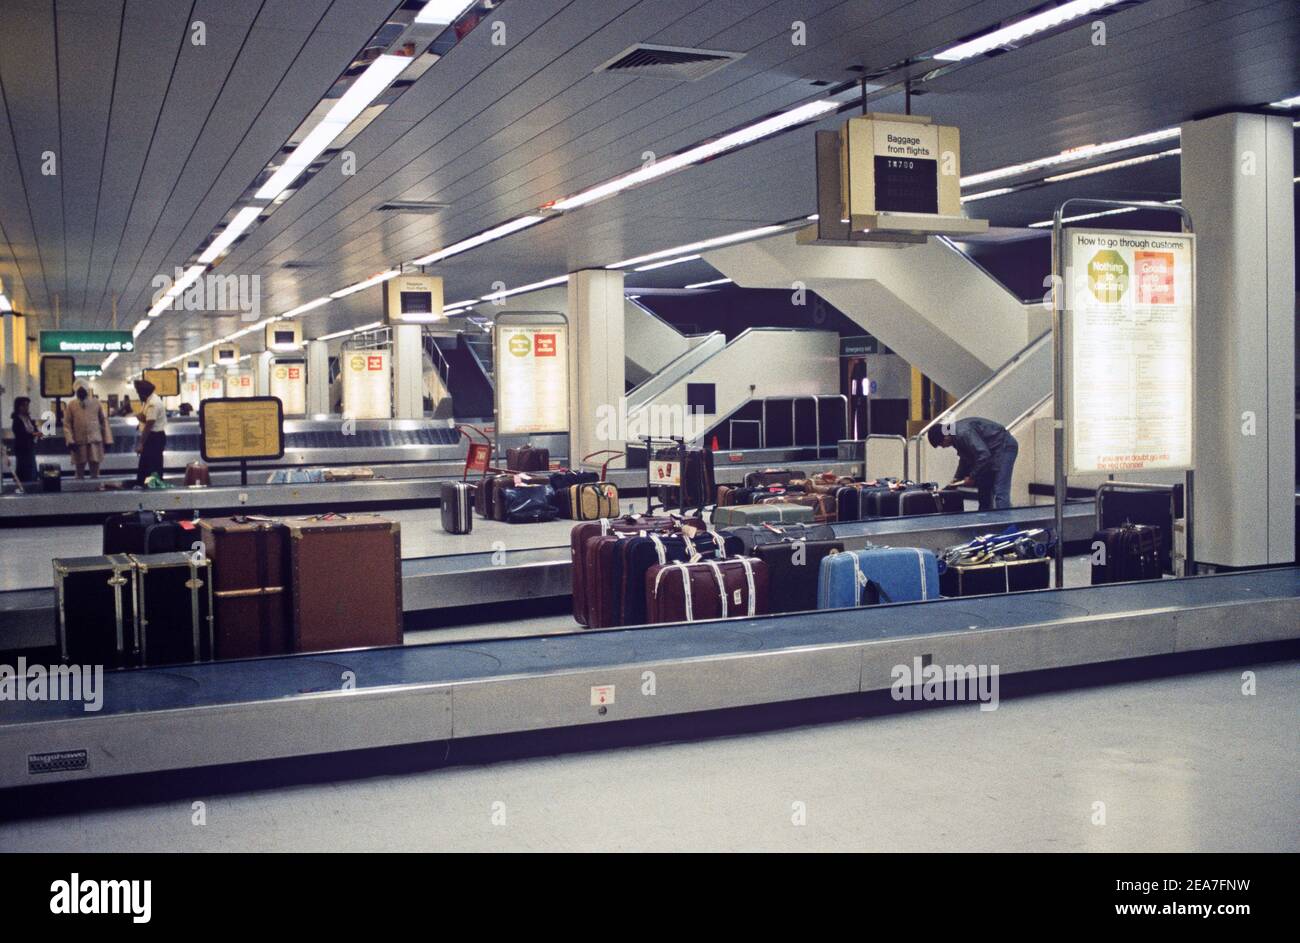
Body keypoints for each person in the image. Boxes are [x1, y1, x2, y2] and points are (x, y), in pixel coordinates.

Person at [927, 416, 1019, 511]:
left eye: (941, 444)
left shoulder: (963, 432)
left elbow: (984, 455)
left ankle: (1008, 524)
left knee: (1000, 490)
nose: (942, 447)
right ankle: (991, 521)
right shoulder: (953, 433)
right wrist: (956, 480)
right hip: (992, 451)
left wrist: (972, 477)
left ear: (945, 438)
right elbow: (964, 459)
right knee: (985, 489)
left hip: (1004, 446)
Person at [63, 381, 113, 479]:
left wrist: (108, 440)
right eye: (79, 392)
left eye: (83, 391)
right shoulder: (71, 405)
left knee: (95, 469)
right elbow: (67, 424)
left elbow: (104, 422)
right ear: (76, 392)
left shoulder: (96, 403)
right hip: (78, 442)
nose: (81, 393)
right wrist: (70, 440)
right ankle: (79, 489)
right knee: (79, 469)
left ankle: (95, 488)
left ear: (87, 391)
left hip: (95, 441)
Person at [133, 379, 167, 487]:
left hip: (154, 438)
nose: (138, 394)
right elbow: (147, 418)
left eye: (138, 392)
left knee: (153, 465)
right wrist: (141, 418)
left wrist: (141, 444)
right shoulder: (148, 400)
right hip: (153, 437)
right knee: (147, 464)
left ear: (143, 392)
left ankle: (153, 487)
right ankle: (146, 485)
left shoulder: (153, 403)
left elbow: (149, 425)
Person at [9, 397, 40, 486]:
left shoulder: (28, 418)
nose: (26, 407)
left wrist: (36, 433)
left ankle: (32, 482)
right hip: (22, 447)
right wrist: (33, 434)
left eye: (27, 405)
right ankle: (23, 483)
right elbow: (20, 433)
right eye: (24, 405)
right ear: (19, 407)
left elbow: (34, 429)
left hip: (30, 446)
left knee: (31, 465)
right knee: (23, 466)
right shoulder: (17, 420)